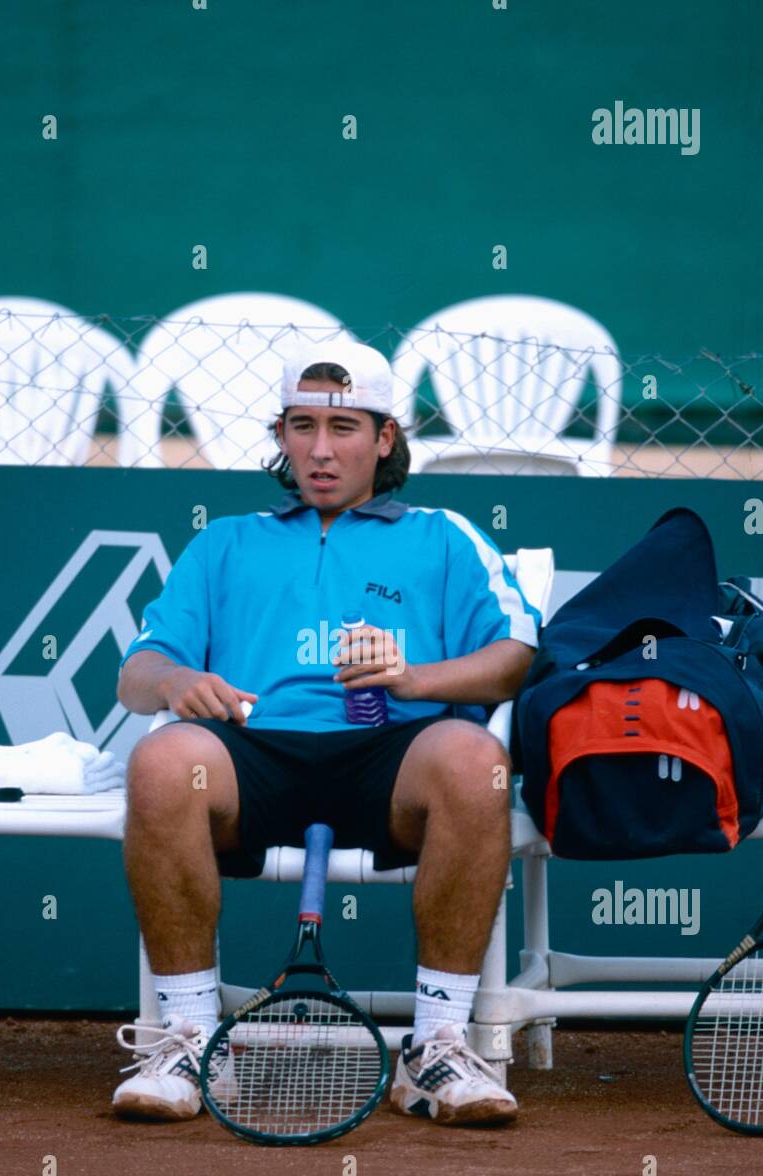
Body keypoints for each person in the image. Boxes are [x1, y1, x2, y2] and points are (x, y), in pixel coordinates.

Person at [113, 342, 541, 1126]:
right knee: (164, 758)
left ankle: (438, 1045)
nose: (319, 448)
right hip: (251, 751)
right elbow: (137, 673)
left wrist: (417, 680)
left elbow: (516, 659)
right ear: (279, 435)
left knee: (477, 759)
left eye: (344, 426)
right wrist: (178, 682)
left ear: (384, 438)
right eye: (300, 426)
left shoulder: (444, 535)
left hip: (396, 756)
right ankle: (193, 1040)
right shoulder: (225, 542)